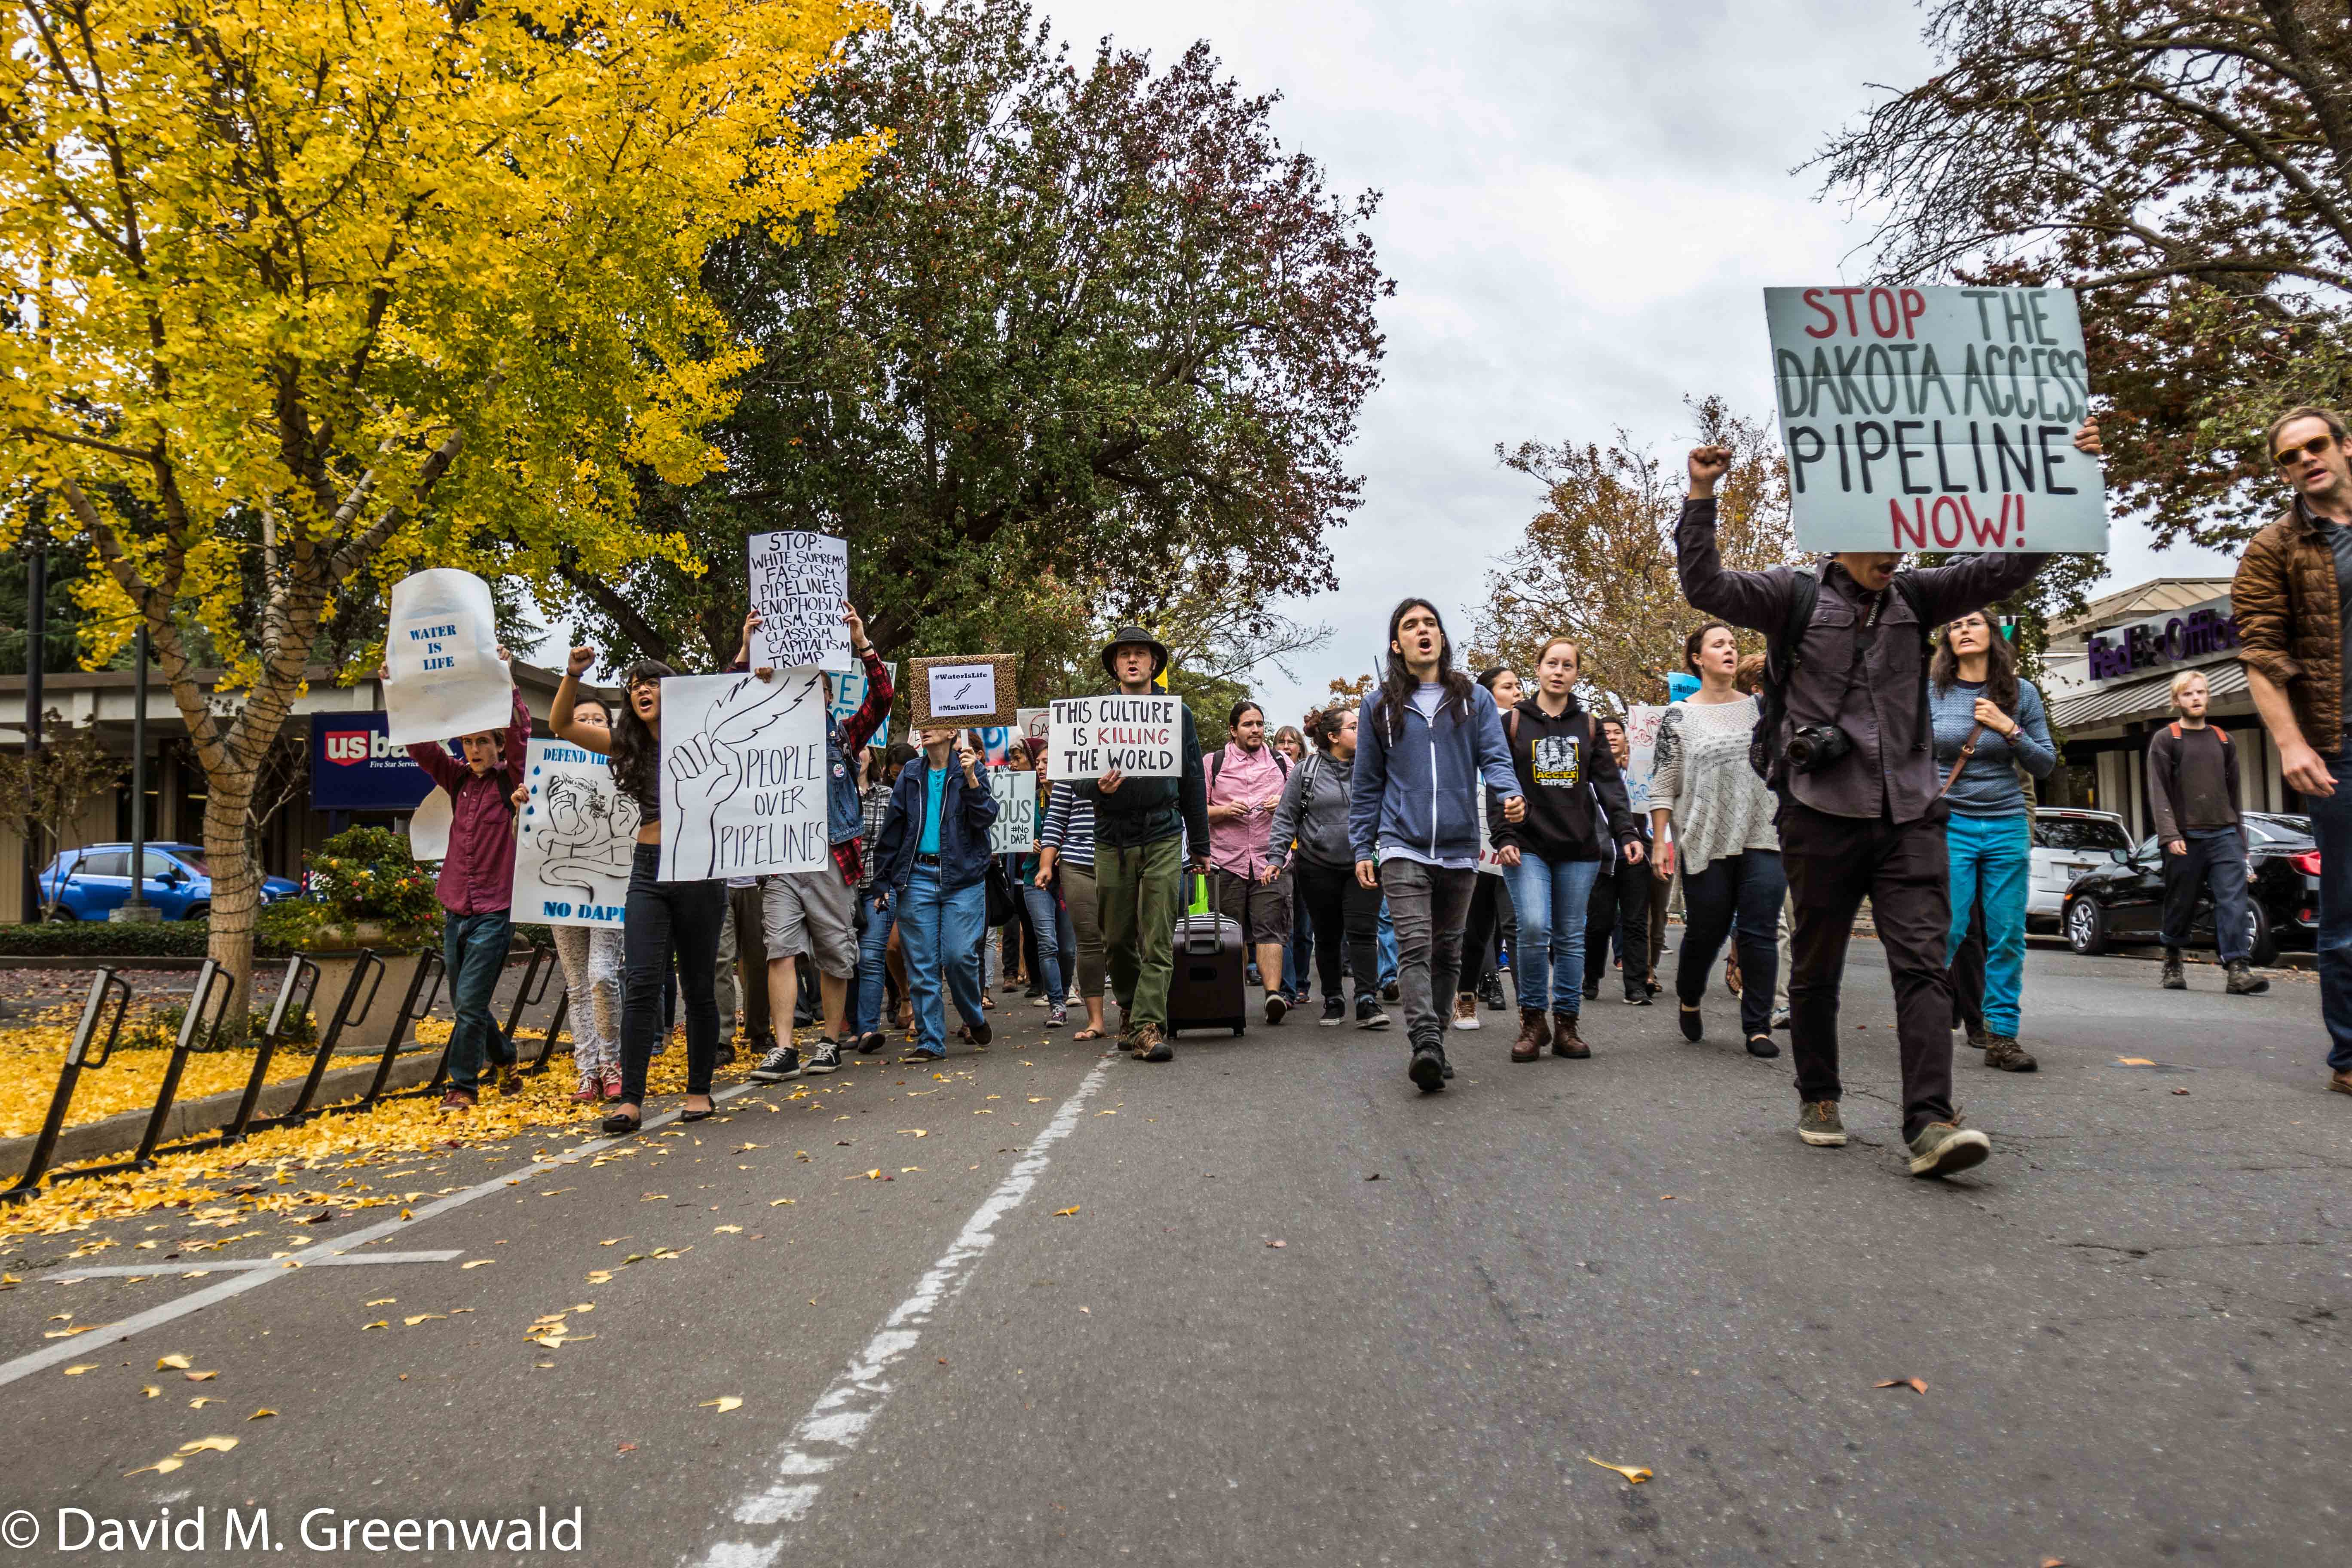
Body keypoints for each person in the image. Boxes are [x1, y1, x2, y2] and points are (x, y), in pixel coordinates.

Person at [1677, 423, 2096, 1175]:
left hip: (1910, 816)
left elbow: (2012, 564)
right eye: (1876, 536)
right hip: (1818, 813)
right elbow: (1706, 587)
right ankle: (1818, 1092)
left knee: (1922, 967)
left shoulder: (1920, 595)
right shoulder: (1790, 596)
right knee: (1815, 965)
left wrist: (2065, 466)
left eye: (1900, 533)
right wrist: (1701, 494)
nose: (1892, 550)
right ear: (1836, 535)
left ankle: (1930, 1121)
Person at [553, 618, 763, 1134]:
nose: (641, 689)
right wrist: (572, 675)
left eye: (651, 682)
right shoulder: (626, 745)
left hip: (700, 871)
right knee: (642, 980)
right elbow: (561, 725)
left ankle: (698, 1092)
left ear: (672, 692)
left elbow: (729, 693)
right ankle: (630, 1101)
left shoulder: (703, 735)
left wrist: (742, 647)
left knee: (698, 984)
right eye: (633, 685)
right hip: (648, 873)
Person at [1350, 599, 1526, 1092]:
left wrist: (1509, 792)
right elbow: (1367, 785)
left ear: (1442, 638)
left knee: (1450, 951)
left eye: (1430, 624)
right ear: (1397, 643)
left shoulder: (1473, 698)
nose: (1422, 631)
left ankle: (1438, 1042)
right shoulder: (1378, 706)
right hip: (1401, 844)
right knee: (1414, 946)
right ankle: (1424, 1040)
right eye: (1411, 626)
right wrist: (1364, 848)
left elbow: (1495, 757)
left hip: (1460, 846)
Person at [742, 604, 894, 1082]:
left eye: (816, 687)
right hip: (783, 856)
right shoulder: (763, 734)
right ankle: (785, 1047)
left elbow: (883, 699)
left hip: (831, 855)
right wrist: (747, 655)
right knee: (780, 949)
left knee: (834, 951)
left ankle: (829, 1042)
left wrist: (862, 644)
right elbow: (712, 709)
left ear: (827, 697)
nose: (806, 694)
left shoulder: (847, 735)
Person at [1489, 639, 1640, 1061]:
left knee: (1572, 937)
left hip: (1579, 847)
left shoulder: (1588, 726)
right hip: (1528, 844)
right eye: (1551, 663)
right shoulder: (1513, 724)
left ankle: (1567, 1024)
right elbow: (1497, 783)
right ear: (1537, 669)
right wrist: (1503, 836)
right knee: (1534, 928)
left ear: (1576, 674)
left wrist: (1627, 833)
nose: (1559, 671)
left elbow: (1611, 786)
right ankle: (1533, 1022)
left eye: (1568, 665)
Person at [1075, 626, 1210, 1063]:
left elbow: (1193, 779)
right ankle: (1132, 1009)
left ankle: (1149, 1025)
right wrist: (1097, 788)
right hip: (1111, 836)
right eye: (1125, 655)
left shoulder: (1179, 714)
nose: (1133, 660)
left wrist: (1202, 843)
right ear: (1115, 666)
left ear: (1155, 664)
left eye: (1141, 654)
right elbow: (1074, 774)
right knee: (1116, 939)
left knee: (1157, 935)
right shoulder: (1095, 715)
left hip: (1164, 835)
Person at [1649, 622, 1782, 1057]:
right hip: (1704, 840)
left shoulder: (1762, 709)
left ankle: (1758, 1027)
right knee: (1707, 932)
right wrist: (1659, 844)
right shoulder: (1680, 716)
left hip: (1764, 834)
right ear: (1697, 658)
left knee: (1761, 930)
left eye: (1732, 644)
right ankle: (1690, 996)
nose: (1729, 650)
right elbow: (1664, 783)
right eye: (1718, 644)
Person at [1933, 609, 2058, 1070]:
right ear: (1948, 639)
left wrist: (2010, 729)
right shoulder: (1932, 693)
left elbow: (2045, 763)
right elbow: (1906, 757)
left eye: (1974, 623)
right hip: (1951, 824)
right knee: (1949, 929)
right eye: (1956, 624)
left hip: (2006, 822)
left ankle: (2001, 1035)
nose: (1964, 630)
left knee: (2006, 935)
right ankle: (1924, 1021)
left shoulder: (2020, 694)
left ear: (1994, 635)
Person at [404, 654, 530, 1111]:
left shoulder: (511, 781)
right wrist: (395, 690)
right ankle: (507, 1057)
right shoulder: (457, 780)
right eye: (467, 742)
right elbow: (420, 747)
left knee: (470, 1005)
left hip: (495, 912)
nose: (474, 750)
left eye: (482, 742)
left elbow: (521, 735)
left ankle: (461, 1086)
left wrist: (507, 679)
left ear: (496, 746)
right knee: (467, 1005)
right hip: (455, 909)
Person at [510, 692, 626, 1103]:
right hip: (560, 896)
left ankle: (614, 1064)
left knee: (601, 975)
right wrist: (522, 810)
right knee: (577, 986)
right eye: (583, 719)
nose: (591, 726)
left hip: (609, 894)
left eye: (599, 719)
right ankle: (588, 1072)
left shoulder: (624, 771)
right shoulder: (544, 779)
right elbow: (526, 849)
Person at [871, 725, 999, 1061]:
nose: (925, 730)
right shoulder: (911, 773)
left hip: (963, 879)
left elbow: (986, 818)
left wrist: (972, 779)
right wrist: (882, 881)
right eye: (922, 724)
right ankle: (930, 1040)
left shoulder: (972, 768)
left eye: (933, 724)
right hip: (917, 878)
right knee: (922, 964)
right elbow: (894, 829)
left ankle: (973, 1016)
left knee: (959, 957)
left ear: (952, 731)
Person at [1267, 704, 1389, 1028]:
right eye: (1354, 727)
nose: (1362, 732)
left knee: (1364, 933)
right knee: (1328, 935)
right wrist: (1277, 857)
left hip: (1364, 863)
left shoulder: (1374, 767)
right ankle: (1333, 998)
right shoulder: (1305, 771)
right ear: (1334, 736)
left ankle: (1367, 999)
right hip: (1316, 865)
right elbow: (1286, 816)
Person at [2149, 668, 2263, 996]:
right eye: (2188, 694)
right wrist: (2170, 836)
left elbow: (2235, 794)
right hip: (2185, 837)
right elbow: (2158, 792)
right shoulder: (2167, 739)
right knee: (2181, 902)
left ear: (2208, 697)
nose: (2196, 698)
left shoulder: (2224, 739)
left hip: (2224, 834)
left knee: (2234, 901)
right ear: (2177, 700)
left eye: (2200, 692)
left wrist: (2241, 843)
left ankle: (2238, 968)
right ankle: (2173, 956)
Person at [1207, 700, 1295, 1026]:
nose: (1256, 729)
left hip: (1272, 861)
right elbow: (1196, 812)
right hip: (1226, 862)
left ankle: (1273, 996)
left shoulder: (1282, 762)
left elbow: (1300, 806)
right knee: (1230, 933)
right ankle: (1232, 997)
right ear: (1233, 730)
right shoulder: (1212, 763)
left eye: (1259, 723)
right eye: (1248, 724)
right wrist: (1224, 811)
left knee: (1270, 929)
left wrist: (1282, 805)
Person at [1457, 665, 1525, 1032]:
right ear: (1485, 694)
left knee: (1517, 926)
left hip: (1513, 841)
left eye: (1519, 686)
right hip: (1474, 842)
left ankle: (1529, 1011)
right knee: (1475, 930)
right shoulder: (1467, 729)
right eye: (1508, 686)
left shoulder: (1523, 730)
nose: (1517, 692)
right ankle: (1466, 998)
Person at [1583, 714, 1654, 1008]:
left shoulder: (1640, 774)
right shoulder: (1584, 775)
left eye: (1616, 732)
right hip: (1598, 859)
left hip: (1635, 856)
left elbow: (1656, 809)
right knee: (1599, 923)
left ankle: (1636, 985)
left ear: (1626, 740)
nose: (1611, 737)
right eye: (1605, 733)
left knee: (1636, 922)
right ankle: (1591, 977)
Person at [1036, 775, 1111, 1040]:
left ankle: (1133, 1013)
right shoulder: (1072, 761)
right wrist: (1046, 865)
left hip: (1122, 856)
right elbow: (1056, 818)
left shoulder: (1130, 748)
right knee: (1088, 939)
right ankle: (1096, 1020)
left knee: (1125, 937)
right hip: (1078, 862)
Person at [848, 742, 899, 1054]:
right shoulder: (829, 796)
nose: (857, 754)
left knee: (869, 957)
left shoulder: (887, 796)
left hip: (878, 888)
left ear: (871, 754)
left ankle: (868, 1029)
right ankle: (852, 1028)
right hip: (840, 890)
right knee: (846, 960)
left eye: (862, 747)